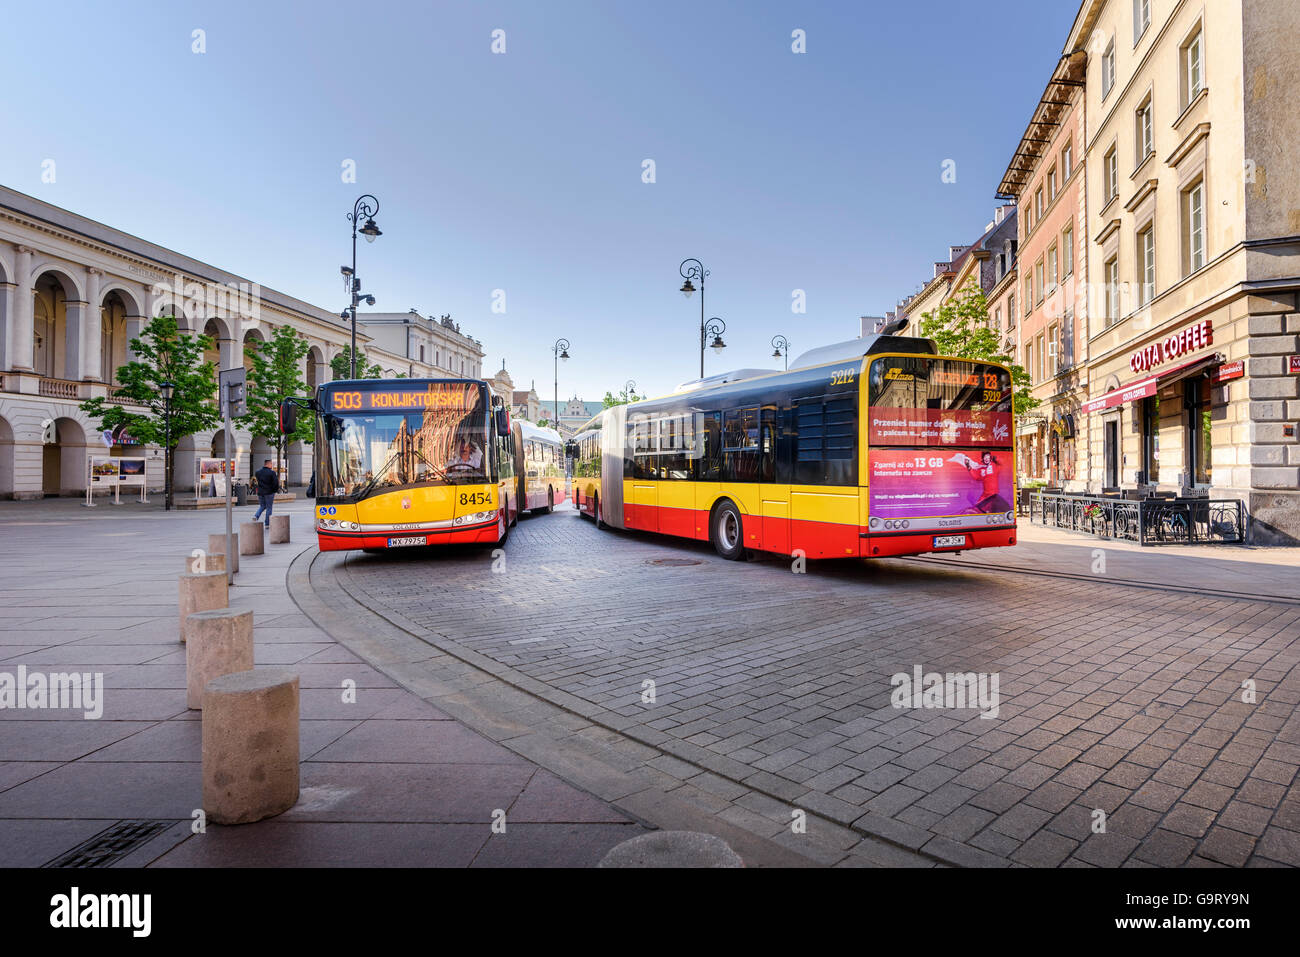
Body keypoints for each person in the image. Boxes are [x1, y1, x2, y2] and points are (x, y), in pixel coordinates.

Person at [252, 459, 280, 527]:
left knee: (262, 506)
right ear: (268, 464)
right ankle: (267, 523)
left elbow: (257, 482)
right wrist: (275, 490)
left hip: (260, 492)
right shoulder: (272, 472)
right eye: (271, 464)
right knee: (269, 507)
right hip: (269, 492)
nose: (272, 465)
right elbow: (275, 483)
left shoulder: (258, 472)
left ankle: (256, 516)